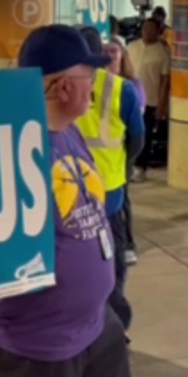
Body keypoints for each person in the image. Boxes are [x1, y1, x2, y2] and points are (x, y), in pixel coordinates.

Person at [0, 25, 137, 377]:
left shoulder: (70, 133)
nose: (98, 84)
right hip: (36, 352)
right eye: (91, 76)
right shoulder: (9, 153)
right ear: (65, 86)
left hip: (97, 329)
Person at [77, 27, 144, 330]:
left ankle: (88, 321)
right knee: (112, 262)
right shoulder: (122, 90)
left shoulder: (58, 87)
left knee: (76, 262)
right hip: (111, 191)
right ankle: (115, 324)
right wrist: (123, 162)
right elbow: (138, 138)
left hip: (70, 192)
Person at [103, 40, 144, 266]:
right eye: (105, 51)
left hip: (120, 157)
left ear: (123, 55)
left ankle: (128, 245)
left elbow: (137, 131)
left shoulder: (130, 86)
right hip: (104, 160)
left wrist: (128, 159)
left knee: (121, 205)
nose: (110, 55)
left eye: (114, 51)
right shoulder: (94, 84)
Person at [126, 18, 171, 181]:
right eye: (145, 28)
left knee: (143, 135)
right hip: (130, 97)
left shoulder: (162, 52)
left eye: (152, 29)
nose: (148, 31)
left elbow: (165, 82)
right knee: (127, 133)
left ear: (158, 31)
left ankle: (141, 167)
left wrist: (162, 105)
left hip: (150, 101)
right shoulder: (131, 47)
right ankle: (128, 165)